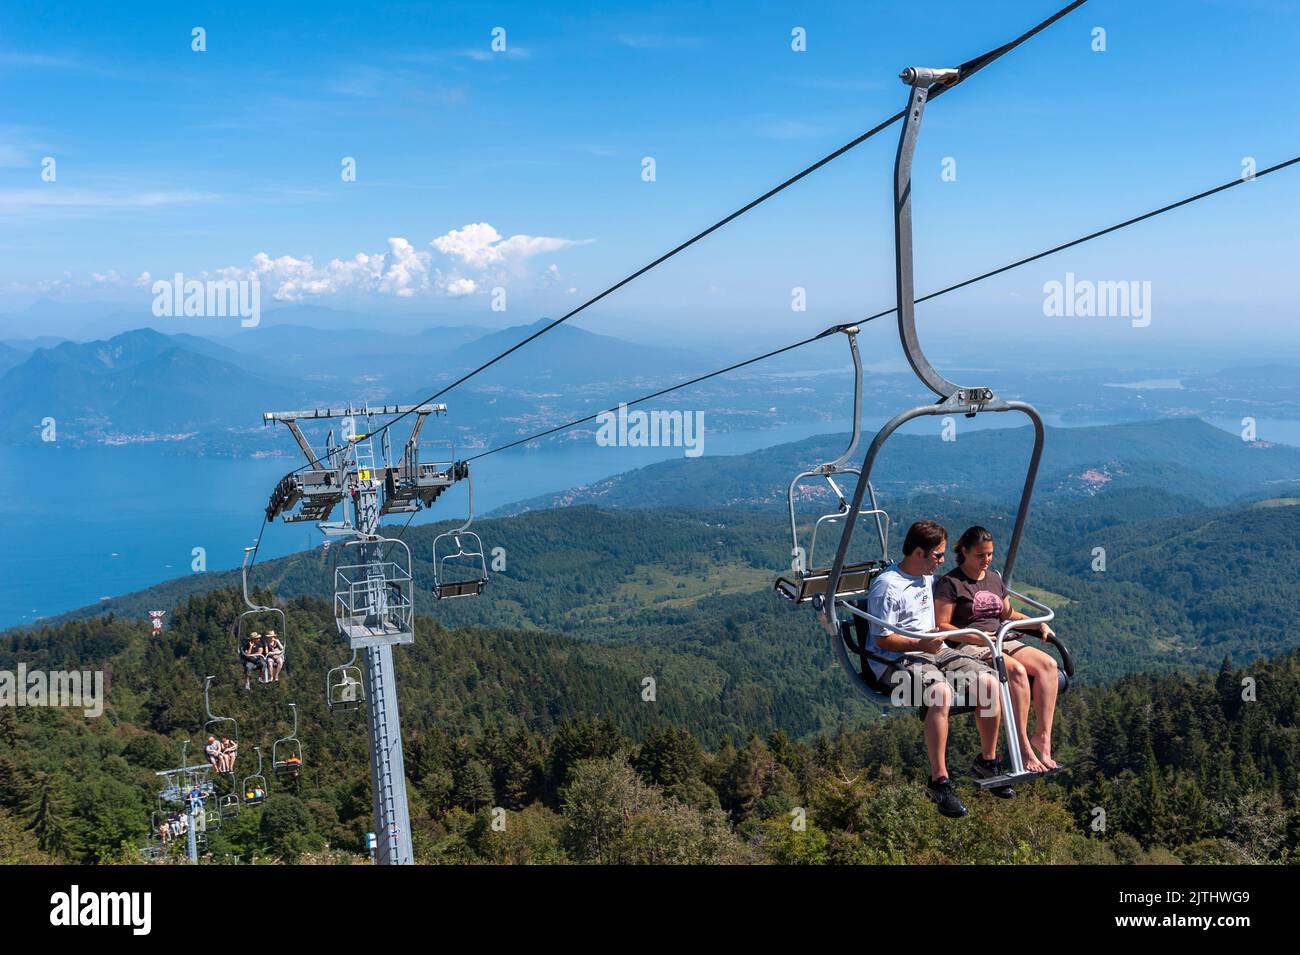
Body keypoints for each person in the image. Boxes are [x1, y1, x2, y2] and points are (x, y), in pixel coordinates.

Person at [863, 519, 1009, 818]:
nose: (943, 561)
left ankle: (987, 760)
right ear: (919, 552)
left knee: (991, 684)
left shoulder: (926, 578)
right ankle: (939, 781)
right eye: (938, 555)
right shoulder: (887, 586)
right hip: (894, 660)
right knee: (940, 693)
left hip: (935, 649)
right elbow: (881, 638)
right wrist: (920, 643)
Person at [934, 525, 1061, 771]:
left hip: (1000, 638)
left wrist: (1037, 624)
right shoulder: (951, 583)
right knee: (1016, 671)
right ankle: (1023, 747)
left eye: (990, 554)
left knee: (1048, 665)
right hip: (970, 643)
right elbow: (942, 625)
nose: (987, 560)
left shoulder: (993, 578)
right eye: (980, 555)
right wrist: (977, 637)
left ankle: (1043, 739)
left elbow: (1008, 613)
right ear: (965, 552)